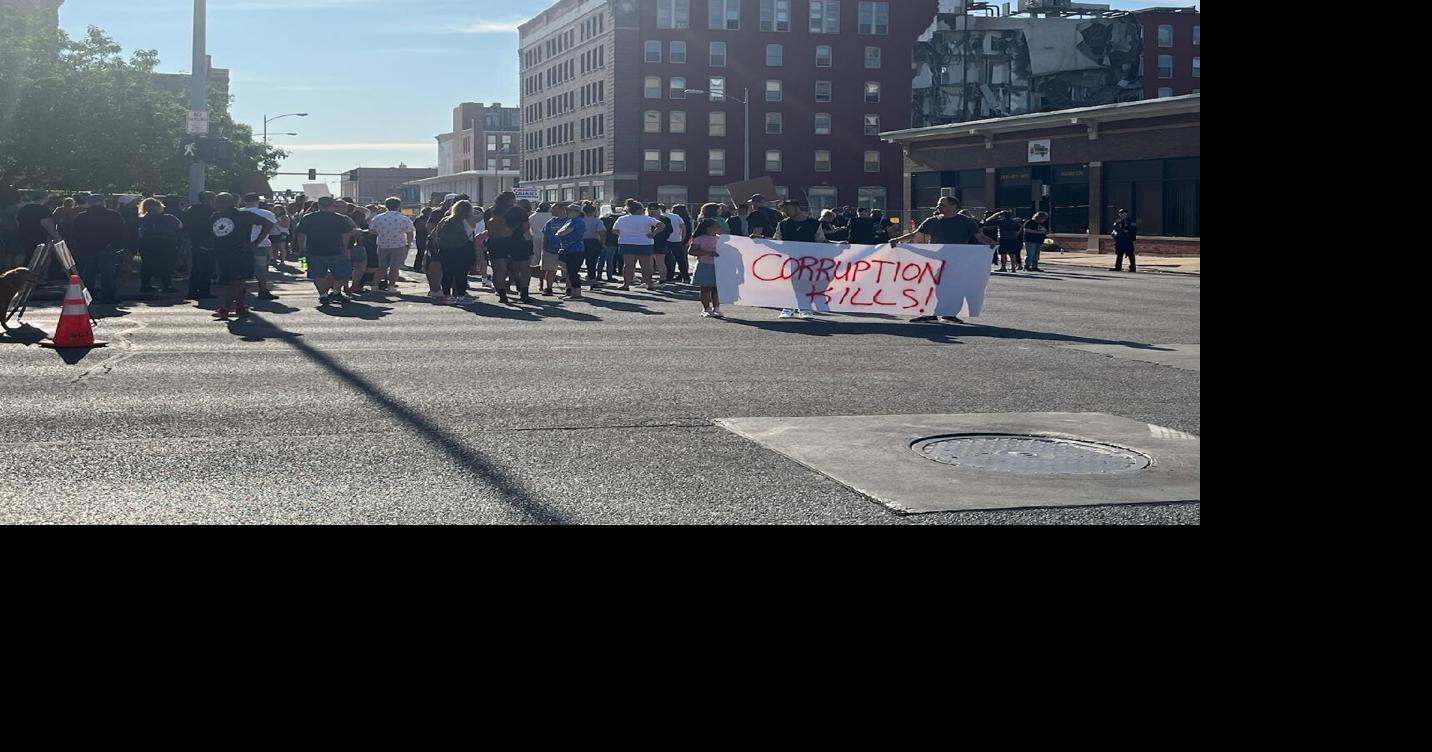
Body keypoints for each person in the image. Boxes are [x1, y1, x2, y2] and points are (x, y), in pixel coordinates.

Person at [888, 195, 996, 324]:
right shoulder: (932, 221)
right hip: (935, 262)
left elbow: (979, 237)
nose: (938, 207)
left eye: (942, 205)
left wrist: (990, 242)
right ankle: (927, 314)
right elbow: (915, 235)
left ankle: (949, 314)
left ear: (953, 206)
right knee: (930, 288)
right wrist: (897, 240)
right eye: (939, 204)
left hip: (957, 262)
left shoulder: (967, 221)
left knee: (955, 288)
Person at [209, 192, 273, 319]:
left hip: (240, 253)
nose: (216, 204)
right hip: (223, 253)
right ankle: (240, 306)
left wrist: (255, 243)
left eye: (220, 201)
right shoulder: (215, 216)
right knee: (234, 281)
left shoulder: (244, 215)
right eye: (216, 201)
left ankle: (226, 307)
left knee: (235, 281)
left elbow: (268, 224)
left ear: (230, 202)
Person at [294, 195, 356, 306]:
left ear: (318, 205)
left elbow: (301, 234)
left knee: (317, 274)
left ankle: (323, 295)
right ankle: (336, 291)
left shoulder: (308, 218)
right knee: (342, 273)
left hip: (314, 250)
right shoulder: (340, 218)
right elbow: (346, 234)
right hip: (335, 249)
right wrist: (345, 247)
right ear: (333, 205)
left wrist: (301, 248)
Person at [771, 200, 829, 319]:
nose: (785, 212)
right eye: (783, 210)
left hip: (808, 260)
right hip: (788, 259)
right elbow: (776, 241)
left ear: (796, 208)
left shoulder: (814, 223)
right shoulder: (782, 224)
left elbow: (821, 241)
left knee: (805, 283)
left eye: (787, 209)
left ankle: (805, 308)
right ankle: (788, 307)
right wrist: (760, 240)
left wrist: (838, 244)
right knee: (788, 283)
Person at [69, 194, 128, 304]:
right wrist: (117, 246)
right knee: (108, 273)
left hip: (87, 248)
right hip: (107, 247)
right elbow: (121, 232)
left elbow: (75, 234)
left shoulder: (81, 217)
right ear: (102, 202)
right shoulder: (113, 215)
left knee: (88, 273)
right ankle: (108, 295)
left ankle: (89, 295)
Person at [482, 191, 533, 305]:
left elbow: (488, 228)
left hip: (496, 242)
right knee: (524, 268)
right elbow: (525, 227)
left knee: (499, 270)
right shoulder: (519, 211)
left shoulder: (490, 212)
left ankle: (502, 295)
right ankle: (524, 294)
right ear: (511, 200)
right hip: (517, 242)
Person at [430, 200, 479, 304]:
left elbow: (434, 234)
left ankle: (447, 296)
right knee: (461, 273)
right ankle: (461, 296)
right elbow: (481, 215)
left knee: (447, 273)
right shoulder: (470, 220)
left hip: (446, 250)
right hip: (464, 250)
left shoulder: (445, 220)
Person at [136, 198, 183, 294]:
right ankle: (167, 285)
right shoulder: (168, 217)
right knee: (166, 264)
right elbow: (180, 226)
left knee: (147, 264)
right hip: (166, 243)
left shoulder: (141, 220)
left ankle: (145, 285)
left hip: (146, 243)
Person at [368, 196, 415, 292]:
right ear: (398, 206)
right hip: (399, 245)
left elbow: (371, 230)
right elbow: (410, 232)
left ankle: (375, 286)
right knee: (394, 268)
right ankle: (391, 286)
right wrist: (408, 244)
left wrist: (380, 232)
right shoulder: (403, 219)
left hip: (382, 244)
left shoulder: (378, 217)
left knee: (382, 267)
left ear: (386, 206)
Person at [613, 198, 662, 291]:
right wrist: (653, 234)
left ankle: (626, 284)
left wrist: (624, 234)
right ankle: (649, 284)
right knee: (646, 265)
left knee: (628, 265)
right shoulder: (647, 218)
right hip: (645, 243)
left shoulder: (622, 219)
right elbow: (661, 225)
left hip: (626, 243)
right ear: (639, 209)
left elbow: (614, 230)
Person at [239, 193, 279, 300]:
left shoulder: (239, 212)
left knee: (241, 269)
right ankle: (262, 290)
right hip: (261, 244)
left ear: (244, 201)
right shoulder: (266, 213)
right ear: (257, 201)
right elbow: (272, 228)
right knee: (261, 270)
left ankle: (239, 291)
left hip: (241, 245)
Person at [183, 191, 217, 300]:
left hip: (194, 240)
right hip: (208, 241)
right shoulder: (212, 211)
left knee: (196, 268)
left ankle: (192, 291)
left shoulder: (191, 209)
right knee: (207, 268)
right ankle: (204, 291)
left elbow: (186, 225)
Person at [687, 217, 723, 318]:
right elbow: (691, 251)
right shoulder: (699, 238)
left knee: (716, 288)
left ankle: (717, 308)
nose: (718, 228)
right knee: (705, 288)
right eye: (716, 226)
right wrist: (707, 252)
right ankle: (706, 308)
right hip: (704, 265)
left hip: (717, 266)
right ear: (708, 228)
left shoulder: (720, 238)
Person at [553, 202, 587, 301]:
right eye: (566, 210)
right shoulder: (569, 221)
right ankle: (572, 292)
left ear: (576, 212)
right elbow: (558, 233)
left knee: (573, 272)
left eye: (569, 210)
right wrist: (560, 232)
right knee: (569, 272)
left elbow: (563, 232)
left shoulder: (578, 222)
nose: (566, 212)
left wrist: (560, 232)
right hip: (567, 250)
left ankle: (577, 294)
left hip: (576, 250)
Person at [538, 202, 565, 296]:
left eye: (554, 208)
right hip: (550, 250)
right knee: (550, 270)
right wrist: (544, 249)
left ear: (561, 209)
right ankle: (548, 288)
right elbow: (545, 236)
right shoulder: (550, 222)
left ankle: (569, 289)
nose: (551, 210)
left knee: (567, 270)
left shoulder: (569, 221)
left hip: (565, 250)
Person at [528, 201, 554, 295]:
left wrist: (532, 235)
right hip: (548, 239)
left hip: (536, 239)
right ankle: (545, 282)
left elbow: (528, 227)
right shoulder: (551, 216)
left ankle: (540, 281)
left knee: (536, 259)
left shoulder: (533, 216)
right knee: (546, 261)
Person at [580, 202, 606, 287]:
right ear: (594, 211)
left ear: (583, 211)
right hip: (593, 241)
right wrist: (602, 243)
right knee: (592, 263)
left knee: (578, 261)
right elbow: (601, 233)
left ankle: (574, 278)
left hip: (581, 242)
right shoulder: (597, 221)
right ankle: (592, 280)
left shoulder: (580, 220)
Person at [647, 203, 673, 284]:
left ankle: (649, 280)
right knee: (660, 262)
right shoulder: (666, 219)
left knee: (649, 262)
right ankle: (663, 279)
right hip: (662, 242)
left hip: (649, 242)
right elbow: (670, 230)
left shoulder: (647, 219)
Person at [666, 204, 690, 283]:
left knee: (671, 260)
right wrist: (684, 241)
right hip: (680, 241)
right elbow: (687, 231)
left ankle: (670, 276)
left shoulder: (672, 217)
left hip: (673, 240)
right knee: (682, 259)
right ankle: (684, 276)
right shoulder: (686, 219)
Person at [600, 205, 622, 281]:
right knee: (610, 260)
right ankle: (609, 276)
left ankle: (599, 275)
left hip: (601, 242)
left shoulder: (600, 220)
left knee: (601, 260)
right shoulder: (613, 220)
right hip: (612, 242)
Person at [412, 206, 432, 270]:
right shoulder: (429, 219)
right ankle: (426, 267)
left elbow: (415, 226)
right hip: (426, 236)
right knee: (429, 253)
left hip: (419, 237)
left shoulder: (418, 219)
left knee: (420, 253)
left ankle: (417, 267)